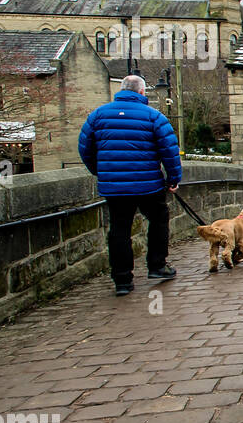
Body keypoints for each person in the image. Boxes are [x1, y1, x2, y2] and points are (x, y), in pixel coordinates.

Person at [77, 74, 181, 296]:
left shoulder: (97, 116)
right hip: (148, 185)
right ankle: (157, 266)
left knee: (119, 229)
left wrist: (101, 171)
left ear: (121, 90)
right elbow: (170, 151)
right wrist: (173, 179)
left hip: (114, 186)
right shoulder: (154, 116)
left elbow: (85, 148)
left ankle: (122, 280)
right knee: (159, 219)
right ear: (142, 92)